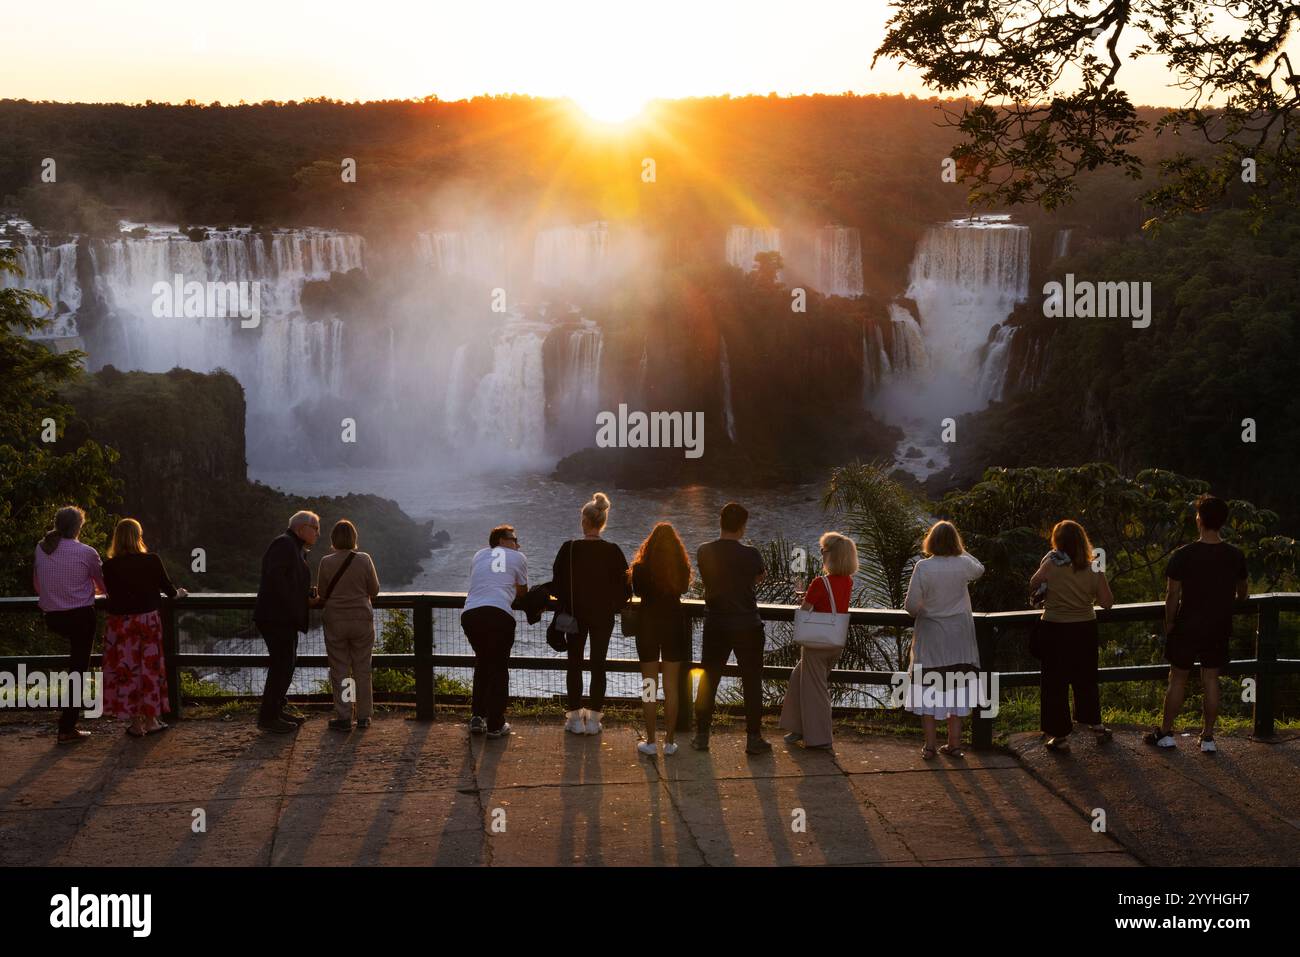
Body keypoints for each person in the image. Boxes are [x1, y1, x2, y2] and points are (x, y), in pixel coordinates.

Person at [1145, 494, 1248, 753]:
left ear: (1199, 519)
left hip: (1187, 624)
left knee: (1177, 678)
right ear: (1223, 522)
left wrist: (1169, 624)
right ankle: (1208, 739)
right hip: (1218, 625)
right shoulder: (1235, 555)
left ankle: (1166, 733)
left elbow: (1172, 595)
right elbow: (1243, 593)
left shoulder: (1183, 555)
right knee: (1211, 679)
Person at [1030, 519, 1115, 751]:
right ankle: (1096, 725)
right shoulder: (1095, 564)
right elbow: (1107, 602)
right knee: (1086, 679)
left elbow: (1033, 583)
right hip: (1084, 628)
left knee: (1054, 684)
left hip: (1054, 628)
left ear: (1057, 541)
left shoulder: (1050, 563)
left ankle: (1059, 737)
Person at [694, 502, 771, 755]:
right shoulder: (752, 554)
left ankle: (702, 735)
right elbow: (760, 576)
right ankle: (753, 738)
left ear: (721, 522)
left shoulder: (704, 551)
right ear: (742, 526)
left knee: (709, 680)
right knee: (751, 681)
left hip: (716, 623)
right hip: (747, 623)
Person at [901, 522, 983, 759]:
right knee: (956, 688)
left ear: (931, 542)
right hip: (959, 639)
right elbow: (980, 569)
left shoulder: (923, 567)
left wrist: (927, 610)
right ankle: (954, 745)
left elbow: (911, 607)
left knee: (929, 689)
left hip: (932, 638)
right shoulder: (963, 564)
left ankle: (929, 747)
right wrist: (962, 550)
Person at [552, 492, 630, 736]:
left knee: (574, 664)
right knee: (599, 665)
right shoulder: (613, 551)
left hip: (575, 615)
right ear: (602, 522)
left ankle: (575, 718)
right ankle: (595, 720)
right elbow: (626, 588)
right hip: (602, 617)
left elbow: (558, 583)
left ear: (584, 521)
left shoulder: (570, 549)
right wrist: (611, 605)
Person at [102, 518, 186, 738]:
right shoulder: (151, 560)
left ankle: (136, 724)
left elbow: (110, 593)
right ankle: (151, 720)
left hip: (120, 624)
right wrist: (180, 594)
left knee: (126, 671)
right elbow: (169, 590)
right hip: (147, 622)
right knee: (148, 670)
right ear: (138, 537)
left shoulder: (109, 566)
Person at [32, 506, 106, 744]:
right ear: (78, 527)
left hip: (52, 617)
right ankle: (66, 728)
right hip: (80, 618)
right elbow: (104, 587)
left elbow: (37, 585)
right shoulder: (86, 552)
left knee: (74, 669)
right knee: (78, 671)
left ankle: (67, 724)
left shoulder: (41, 548)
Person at [780, 532, 858, 751]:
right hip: (834, 641)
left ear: (830, 556)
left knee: (816, 690)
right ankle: (797, 727)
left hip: (816, 644)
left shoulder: (820, 583)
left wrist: (803, 599)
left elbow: (806, 610)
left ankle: (820, 738)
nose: (821, 555)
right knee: (798, 676)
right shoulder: (847, 581)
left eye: (823, 551)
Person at [253, 511, 319, 733]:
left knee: (286, 664)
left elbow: (289, 580)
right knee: (281, 666)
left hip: (282, 617)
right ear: (301, 528)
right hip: (276, 617)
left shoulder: (295, 547)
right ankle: (268, 717)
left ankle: (276, 710)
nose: (318, 533)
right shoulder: (284, 544)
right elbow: (277, 579)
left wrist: (306, 594)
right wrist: (300, 600)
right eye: (315, 528)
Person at [629, 522, 692, 756]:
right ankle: (670, 742)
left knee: (649, 685)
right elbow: (684, 589)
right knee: (671, 687)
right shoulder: (680, 567)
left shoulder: (641, 567)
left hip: (647, 625)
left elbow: (637, 591)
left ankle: (651, 740)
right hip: (673, 624)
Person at [462, 525, 528, 739]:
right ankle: (495, 724)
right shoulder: (519, 558)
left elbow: (482, 579)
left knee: (483, 661)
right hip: (499, 614)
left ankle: (477, 717)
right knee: (499, 667)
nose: (518, 544)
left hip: (471, 614)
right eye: (514, 539)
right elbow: (522, 592)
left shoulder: (479, 555)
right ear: (501, 540)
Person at [316, 519, 380, 732]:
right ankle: (363, 716)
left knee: (340, 669)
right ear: (354, 538)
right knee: (362, 668)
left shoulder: (326, 562)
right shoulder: (364, 559)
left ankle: (344, 716)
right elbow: (374, 589)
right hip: (361, 619)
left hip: (335, 621)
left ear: (333, 539)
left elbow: (322, 594)